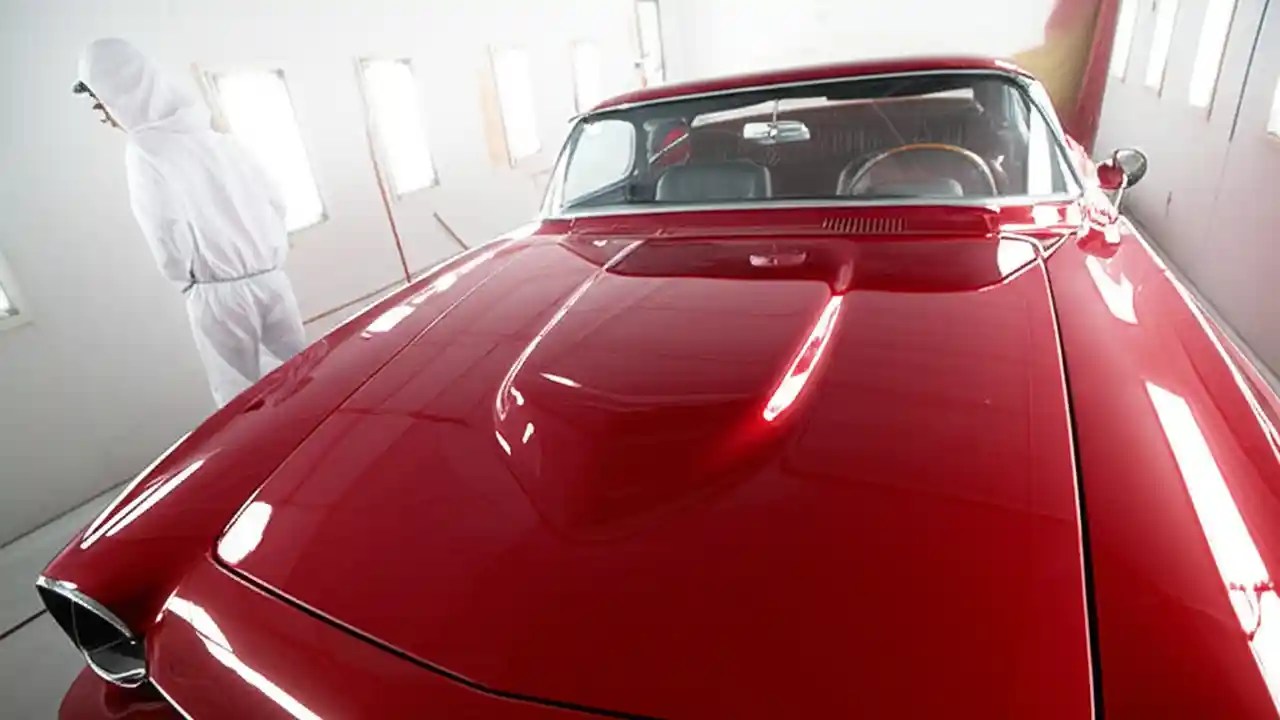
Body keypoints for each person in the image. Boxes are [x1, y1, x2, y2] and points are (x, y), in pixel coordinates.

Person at [75, 38, 307, 408]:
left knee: (244, 404)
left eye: (100, 103)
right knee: (301, 378)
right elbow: (275, 200)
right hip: (273, 281)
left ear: (121, 96)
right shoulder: (216, 138)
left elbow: (167, 233)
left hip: (218, 294)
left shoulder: (145, 150)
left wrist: (189, 281)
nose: (103, 113)